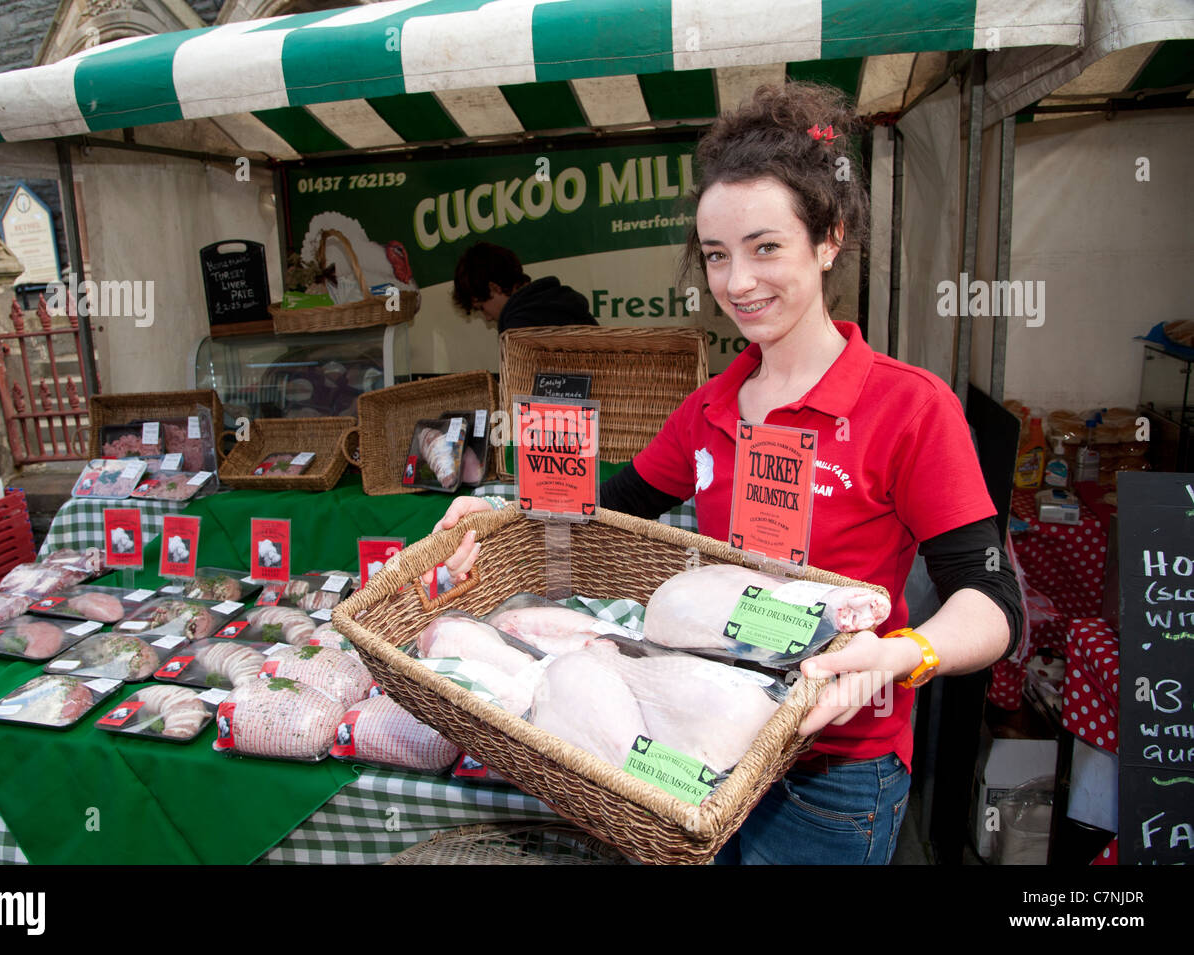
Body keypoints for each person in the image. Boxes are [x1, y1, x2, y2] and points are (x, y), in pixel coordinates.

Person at [424, 83, 1023, 865]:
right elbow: (600, 507)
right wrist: (487, 512)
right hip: (695, 748)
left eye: (765, 247)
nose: (737, 281)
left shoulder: (910, 408)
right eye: (716, 255)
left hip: (833, 771)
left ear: (829, 237)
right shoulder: (710, 408)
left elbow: (992, 599)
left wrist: (903, 652)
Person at [451, 241, 598, 334]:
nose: (488, 318)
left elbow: (522, 383)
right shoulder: (565, 302)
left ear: (494, 288)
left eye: (482, 308)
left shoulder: (518, 325)